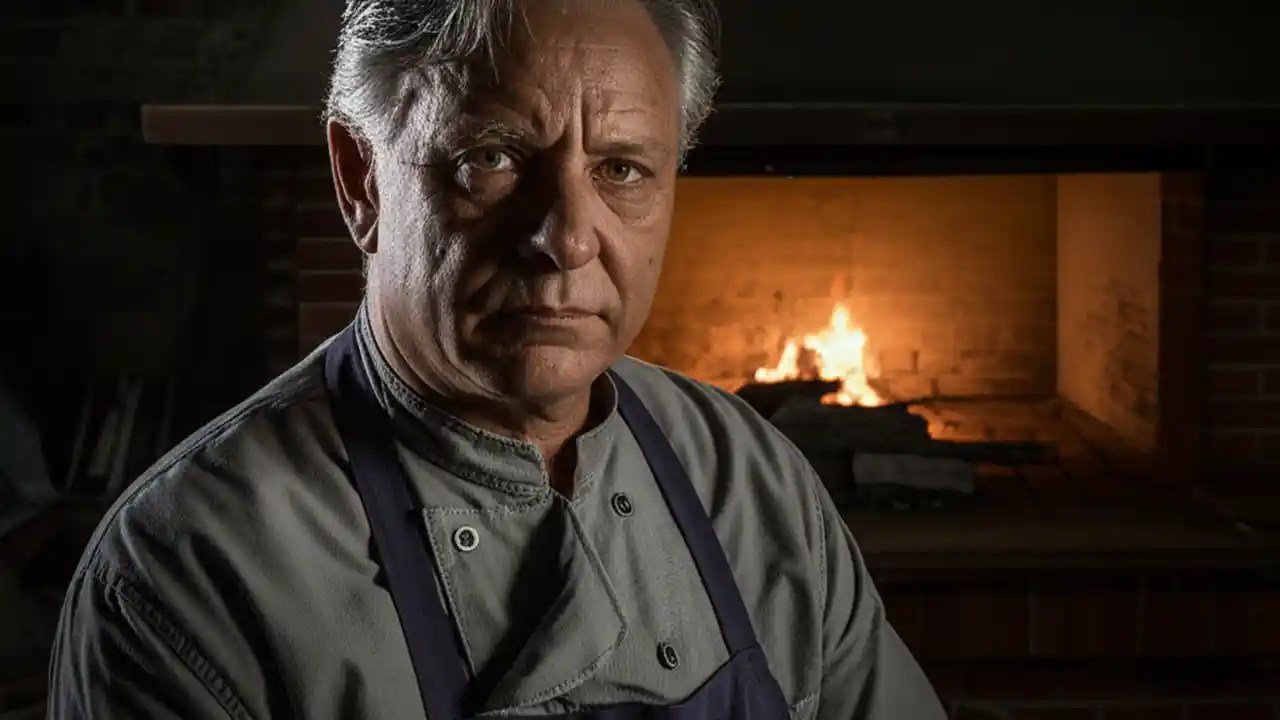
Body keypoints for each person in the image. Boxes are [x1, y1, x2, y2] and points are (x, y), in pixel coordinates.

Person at [48, 1, 946, 717]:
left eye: (624, 170)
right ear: (361, 180)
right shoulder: (189, 571)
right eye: (494, 158)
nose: (566, 239)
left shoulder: (751, 480)